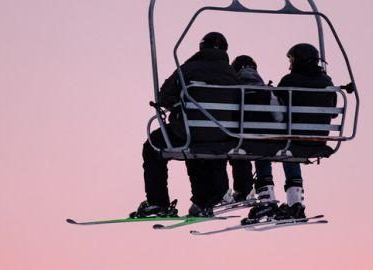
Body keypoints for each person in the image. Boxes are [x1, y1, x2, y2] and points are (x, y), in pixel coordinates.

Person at [132, 32, 238, 219]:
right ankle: (204, 199)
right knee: (204, 146)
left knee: (153, 146)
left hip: (190, 133)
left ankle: (158, 202)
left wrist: (176, 105)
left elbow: (164, 95)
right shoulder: (232, 74)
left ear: (202, 48)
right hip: (223, 135)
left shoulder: (189, 69)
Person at [247, 43, 337, 222]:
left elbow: (277, 111)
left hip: (293, 140)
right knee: (290, 147)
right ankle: (295, 203)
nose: (290, 65)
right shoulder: (327, 83)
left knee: (264, 143)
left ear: (299, 60)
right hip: (318, 140)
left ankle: (267, 200)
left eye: (291, 60)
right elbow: (333, 112)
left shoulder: (290, 81)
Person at [227, 55, 280, 206]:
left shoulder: (232, 90)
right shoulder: (267, 90)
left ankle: (243, 190)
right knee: (262, 143)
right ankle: (266, 195)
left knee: (238, 146)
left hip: (240, 141)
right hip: (265, 142)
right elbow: (279, 116)